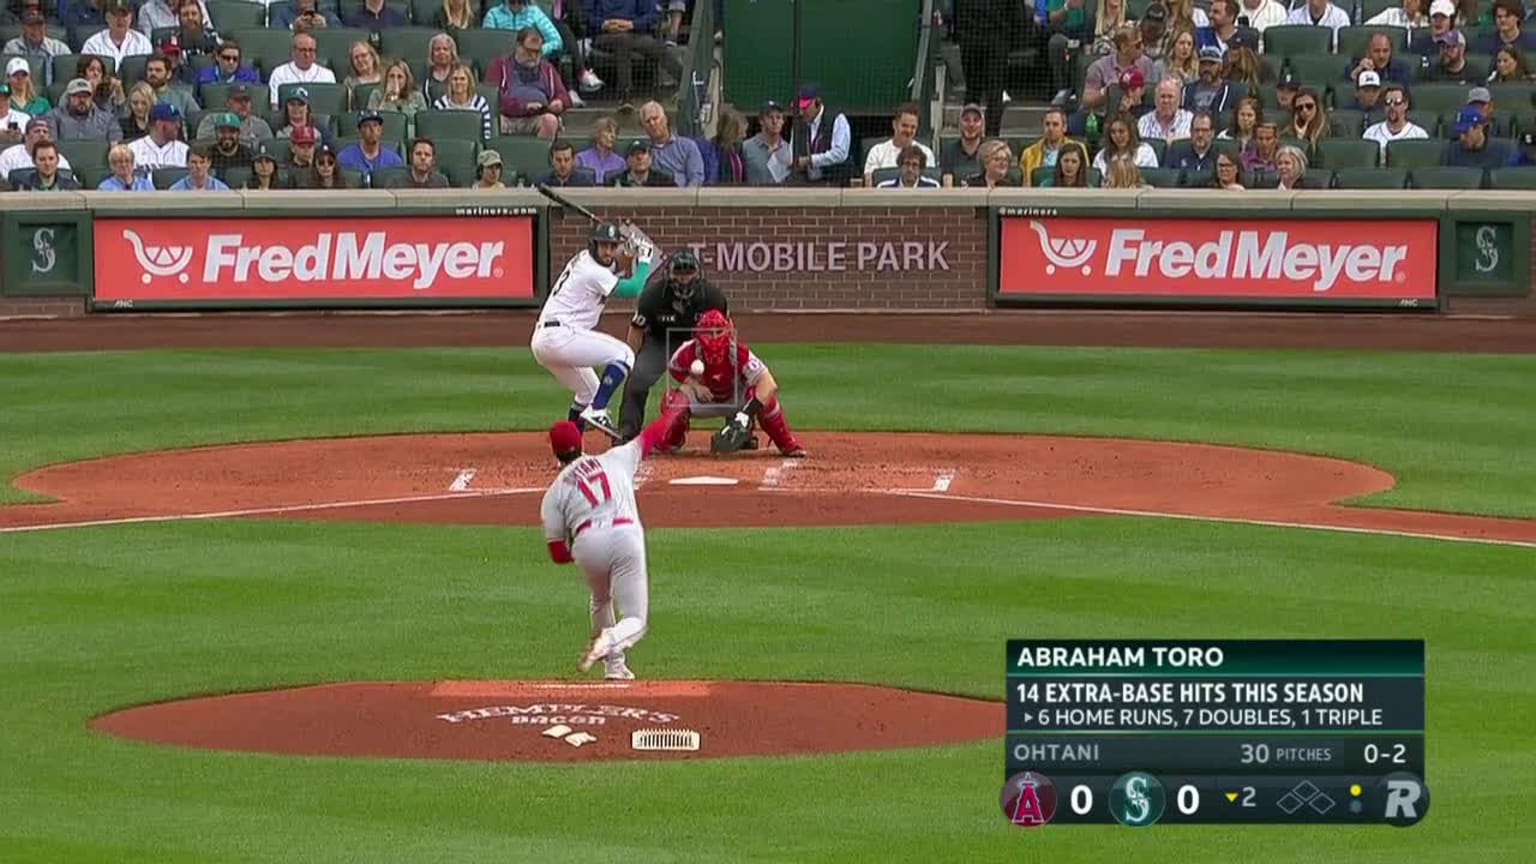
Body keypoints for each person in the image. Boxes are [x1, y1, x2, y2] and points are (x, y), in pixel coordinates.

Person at [540, 404, 686, 680]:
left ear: (555, 452)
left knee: (600, 598)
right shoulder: (616, 458)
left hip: (587, 543)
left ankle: (614, 667)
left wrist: (583, 553)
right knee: (636, 621)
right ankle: (610, 639)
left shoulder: (554, 493)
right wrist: (677, 408)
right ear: (580, 443)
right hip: (625, 535)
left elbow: (557, 552)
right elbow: (653, 435)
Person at [531, 221, 646, 438]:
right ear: (593, 245)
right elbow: (633, 288)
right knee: (624, 354)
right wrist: (645, 261)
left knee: (589, 392)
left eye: (613, 246)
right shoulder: (592, 271)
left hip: (546, 340)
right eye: (604, 246)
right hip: (561, 335)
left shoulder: (586, 259)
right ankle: (597, 410)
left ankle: (570, 452)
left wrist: (629, 252)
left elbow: (614, 266)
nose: (608, 251)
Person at [658, 309, 806, 458]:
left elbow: (768, 383)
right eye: (708, 333)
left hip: (736, 400)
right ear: (698, 334)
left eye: (719, 331)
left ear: (727, 331)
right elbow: (675, 369)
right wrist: (695, 386)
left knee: (767, 400)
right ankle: (672, 441)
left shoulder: (738, 352)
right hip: (706, 400)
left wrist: (745, 414)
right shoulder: (688, 350)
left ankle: (786, 443)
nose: (714, 337)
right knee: (673, 400)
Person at [616, 248, 729, 443]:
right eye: (679, 273)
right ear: (669, 274)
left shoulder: (713, 297)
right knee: (638, 380)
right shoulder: (652, 297)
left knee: (729, 375)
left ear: (697, 273)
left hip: (699, 342)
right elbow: (637, 329)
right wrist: (630, 360)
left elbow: (727, 328)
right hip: (661, 340)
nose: (684, 278)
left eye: (688, 273)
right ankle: (627, 432)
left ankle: (737, 428)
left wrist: (728, 356)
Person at [490, 26, 568, 139]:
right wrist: (523, 107)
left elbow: (564, 96)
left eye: (537, 52)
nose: (533, 56)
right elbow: (493, 98)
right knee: (493, 122)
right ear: (518, 46)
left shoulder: (547, 69)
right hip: (507, 118)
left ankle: (540, 156)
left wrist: (559, 103)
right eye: (529, 51)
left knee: (551, 120)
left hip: (537, 118)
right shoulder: (500, 66)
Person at [789, 85, 852, 185]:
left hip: (835, 181)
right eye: (800, 108)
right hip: (806, 184)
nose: (801, 112)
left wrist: (810, 160)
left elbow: (840, 154)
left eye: (805, 107)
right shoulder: (798, 124)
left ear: (817, 102)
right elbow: (792, 153)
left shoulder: (837, 119)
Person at [47, 78, 121, 142]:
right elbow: (50, 145)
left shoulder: (108, 119)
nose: (82, 100)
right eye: (77, 96)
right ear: (68, 98)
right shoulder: (53, 117)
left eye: (86, 96)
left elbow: (116, 142)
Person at [434, 63, 494, 141]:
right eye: (455, 79)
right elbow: (438, 132)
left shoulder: (480, 103)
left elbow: (487, 133)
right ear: (450, 82)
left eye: (462, 79)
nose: (458, 82)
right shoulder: (440, 104)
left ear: (469, 82)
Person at [369, 60, 430, 135]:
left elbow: (424, 124)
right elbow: (372, 122)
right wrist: (387, 97)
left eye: (399, 77)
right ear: (386, 78)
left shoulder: (417, 97)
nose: (395, 80)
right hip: (385, 135)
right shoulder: (376, 95)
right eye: (392, 76)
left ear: (406, 79)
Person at [576, 115, 625, 184]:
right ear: (597, 133)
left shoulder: (620, 163)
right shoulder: (581, 159)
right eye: (609, 131)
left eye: (615, 133)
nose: (613, 136)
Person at [384, 137, 451, 188]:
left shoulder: (441, 182)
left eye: (427, 154)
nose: (423, 158)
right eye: (418, 153)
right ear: (411, 157)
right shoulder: (395, 183)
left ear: (433, 160)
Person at [13, 140, 78, 190]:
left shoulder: (71, 187)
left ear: (57, 160)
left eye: (51, 158)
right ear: (34, 161)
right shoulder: (23, 187)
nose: (47, 163)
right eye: (42, 159)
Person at [607, 140, 674, 186]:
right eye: (634, 154)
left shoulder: (664, 180)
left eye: (643, 153)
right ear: (627, 161)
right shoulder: (614, 181)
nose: (639, 157)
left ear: (650, 158)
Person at [875, 145, 940, 188]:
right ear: (900, 166)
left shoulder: (933, 187)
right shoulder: (884, 187)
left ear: (920, 168)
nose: (910, 169)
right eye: (907, 164)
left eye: (915, 165)